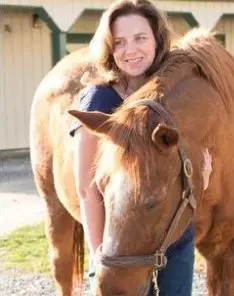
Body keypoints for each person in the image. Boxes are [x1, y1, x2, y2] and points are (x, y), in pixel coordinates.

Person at [69, 0, 212, 294]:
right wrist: (100, 256)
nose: (130, 50)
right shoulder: (99, 100)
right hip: (122, 246)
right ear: (109, 48)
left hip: (172, 238)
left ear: (158, 40)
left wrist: (202, 177)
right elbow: (87, 189)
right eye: (119, 42)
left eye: (140, 38)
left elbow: (180, 170)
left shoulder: (172, 94)